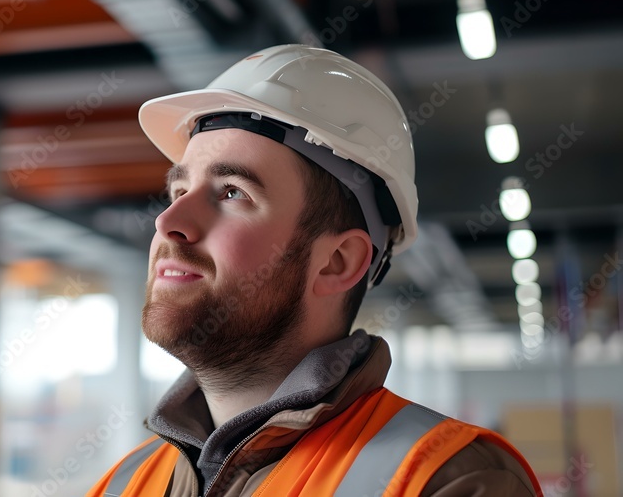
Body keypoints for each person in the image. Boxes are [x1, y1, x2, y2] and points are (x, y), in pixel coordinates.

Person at [85, 45, 541, 496]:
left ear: (337, 263)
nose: (168, 222)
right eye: (178, 190)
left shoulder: (448, 479)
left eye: (231, 193)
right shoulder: (122, 485)